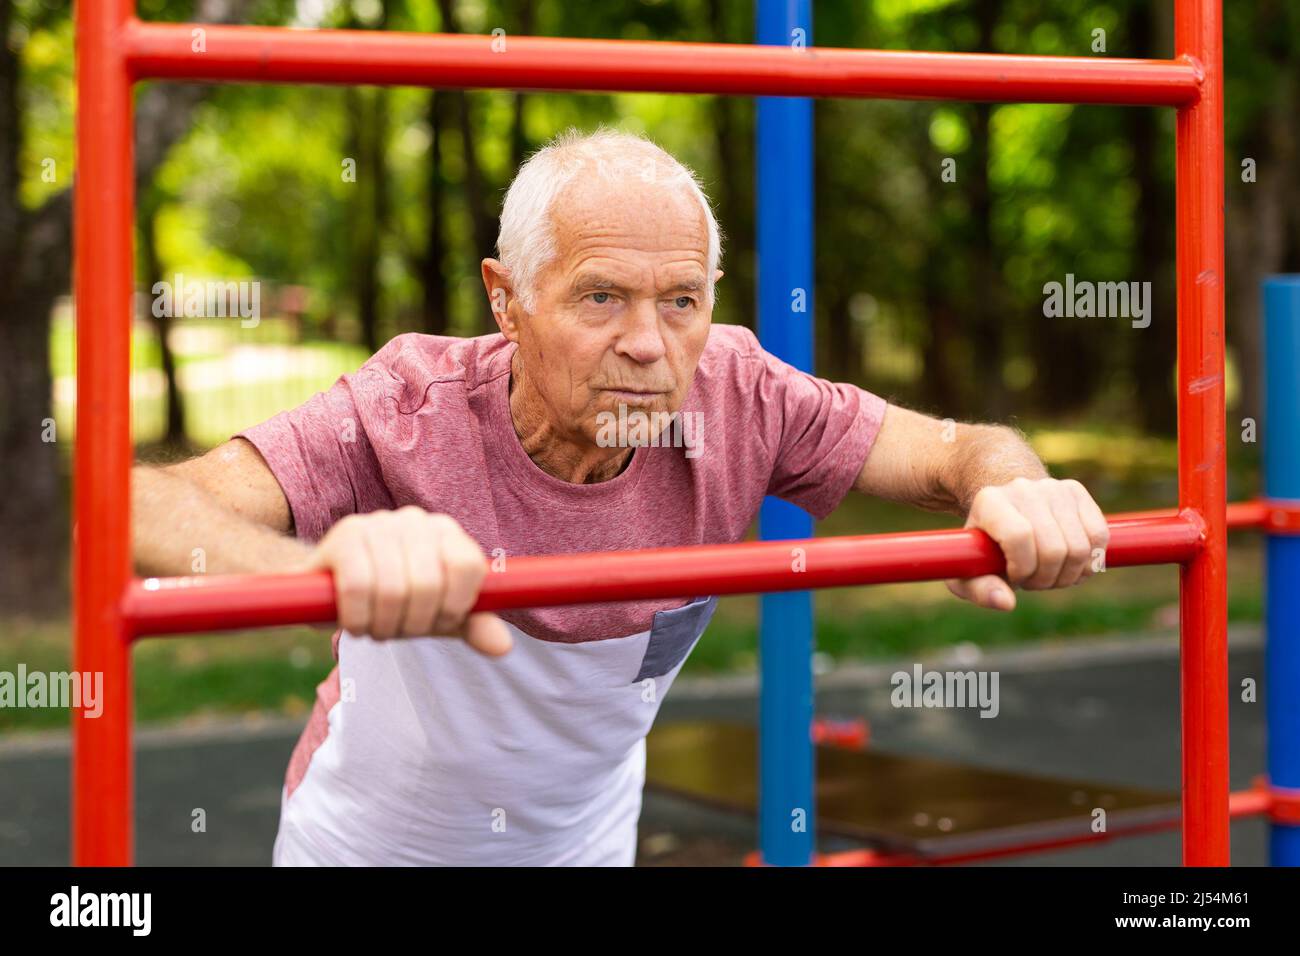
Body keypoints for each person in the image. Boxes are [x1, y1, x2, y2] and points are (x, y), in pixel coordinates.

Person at [132, 128, 1110, 866]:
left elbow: (956, 448)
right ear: (504, 298)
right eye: (601, 296)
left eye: (681, 300)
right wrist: (318, 568)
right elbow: (144, 503)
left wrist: (1014, 486)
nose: (649, 343)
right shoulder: (408, 406)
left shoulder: (738, 390)